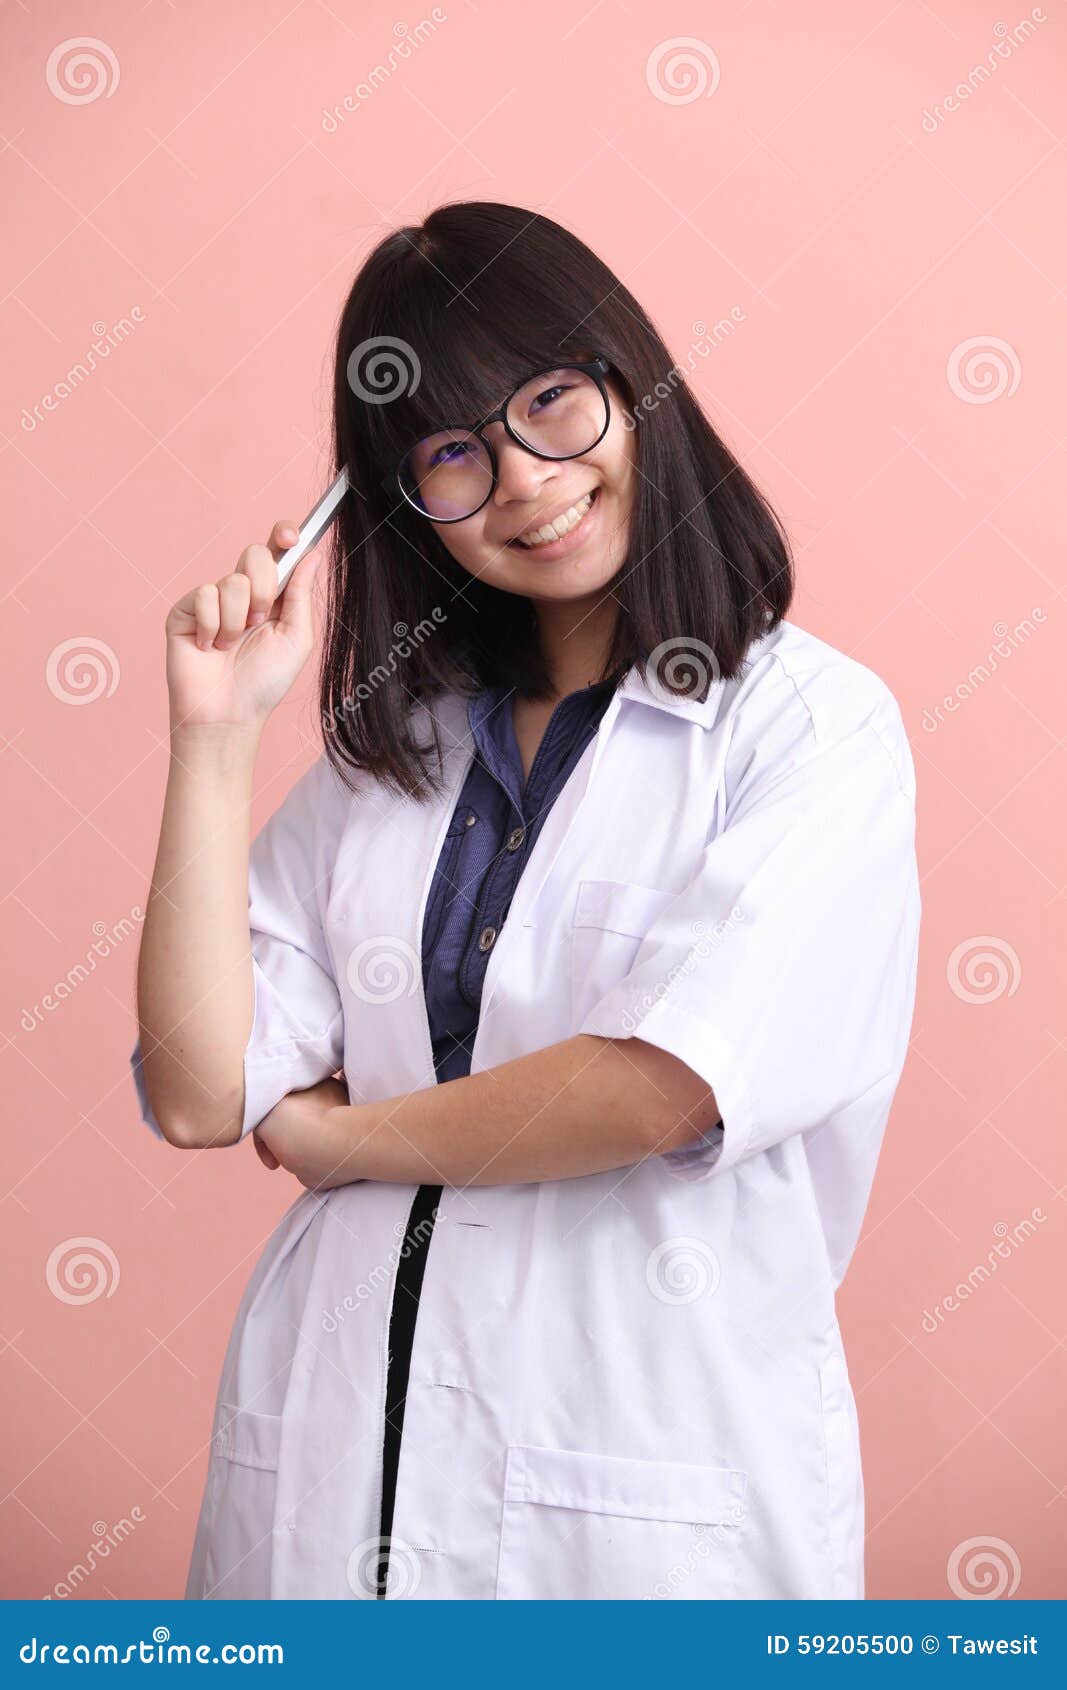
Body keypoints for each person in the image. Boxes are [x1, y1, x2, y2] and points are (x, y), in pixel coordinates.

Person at [130, 200, 920, 1601]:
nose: (523, 480)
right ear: (399, 503)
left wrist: (347, 1139)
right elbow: (200, 1089)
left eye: (551, 402)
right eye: (452, 452)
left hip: (640, 1498)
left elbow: (665, 1086)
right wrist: (214, 737)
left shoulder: (807, 726)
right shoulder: (399, 753)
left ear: (633, 383)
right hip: (327, 1482)